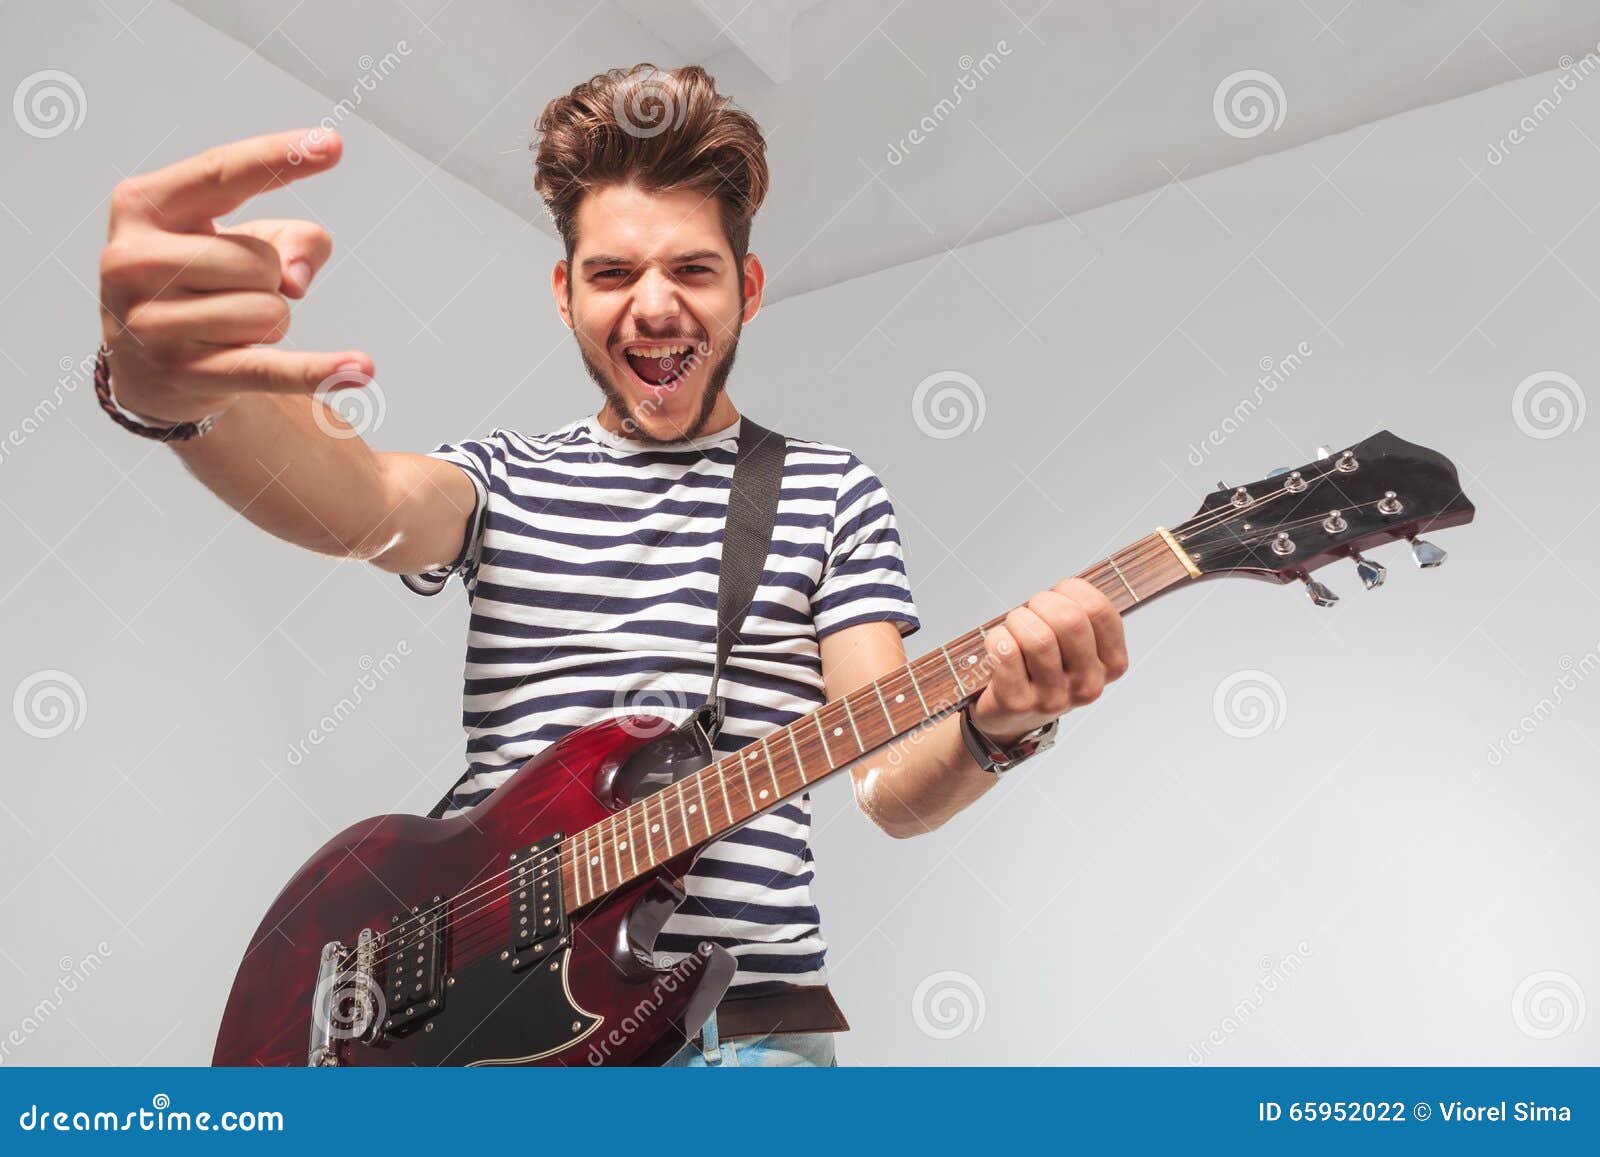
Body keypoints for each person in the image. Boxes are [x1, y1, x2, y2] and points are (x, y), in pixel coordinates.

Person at [94, 63, 1128, 1067]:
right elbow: (361, 499)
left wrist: (996, 725)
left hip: (744, 1034)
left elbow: (890, 778)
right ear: (563, 292)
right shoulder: (500, 478)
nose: (654, 305)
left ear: (748, 288)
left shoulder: (829, 491)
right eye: (613, 272)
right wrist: (175, 391)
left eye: (691, 267)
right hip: (471, 1031)